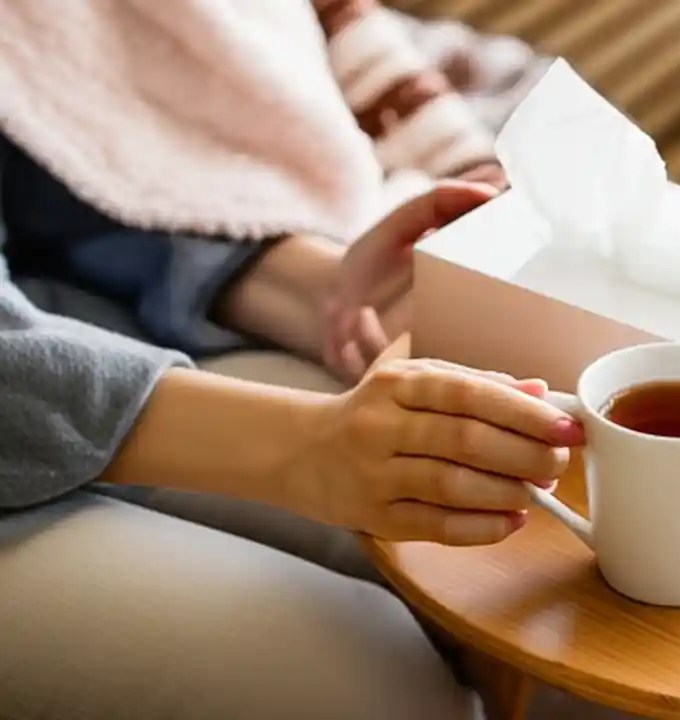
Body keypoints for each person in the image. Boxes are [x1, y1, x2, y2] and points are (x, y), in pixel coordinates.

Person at [0, 2, 583, 718]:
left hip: (83, 327)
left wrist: (306, 285)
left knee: (536, 562)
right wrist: (301, 447)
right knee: (372, 684)